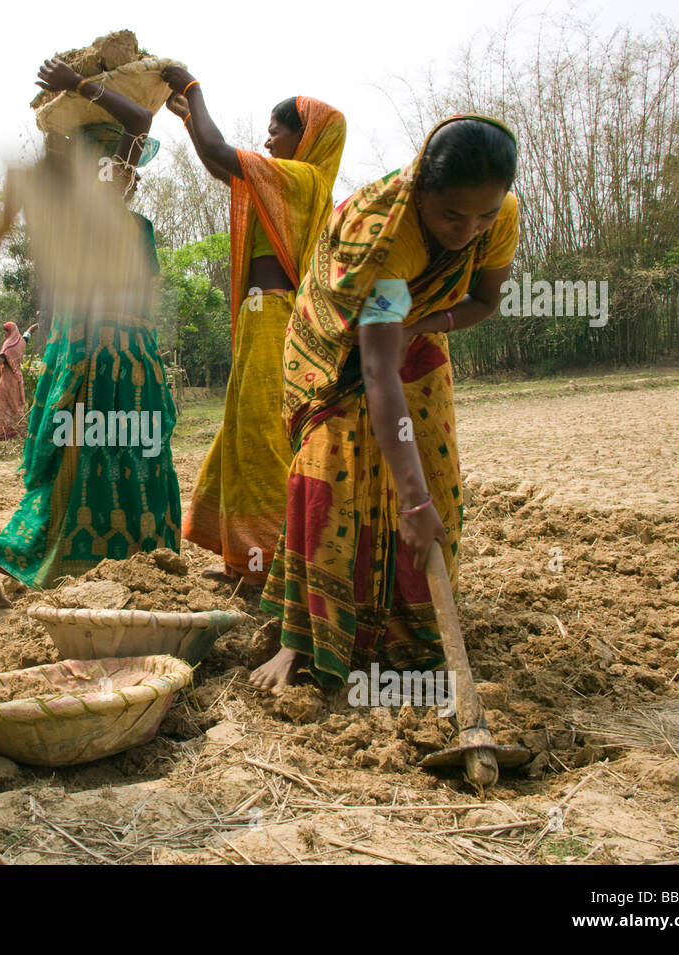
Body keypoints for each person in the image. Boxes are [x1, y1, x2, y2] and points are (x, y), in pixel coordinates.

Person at [250, 116, 519, 693]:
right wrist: (410, 500)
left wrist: (425, 322)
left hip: (416, 329)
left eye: (485, 215)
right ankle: (301, 639)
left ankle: (413, 632)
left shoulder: (501, 218)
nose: (469, 230)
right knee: (331, 474)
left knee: (436, 479)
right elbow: (375, 372)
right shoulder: (383, 236)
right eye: (452, 215)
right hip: (335, 346)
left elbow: (483, 300)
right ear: (422, 190)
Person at [0, 58, 182, 608]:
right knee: (112, 468)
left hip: (106, 364)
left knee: (85, 470)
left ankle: (11, 561)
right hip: (111, 367)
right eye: (122, 166)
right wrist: (81, 86)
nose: (131, 176)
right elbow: (141, 125)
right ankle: (8, 561)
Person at [162, 68, 346, 592]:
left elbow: (222, 155)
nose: (269, 140)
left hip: (274, 320)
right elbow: (223, 163)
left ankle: (271, 562)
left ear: (305, 138)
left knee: (264, 434)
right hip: (259, 317)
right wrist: (190, 121)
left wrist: (195, 91)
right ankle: (243, 559)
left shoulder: (301, 179)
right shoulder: (291, 184)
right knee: (242, 429)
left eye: (277, 131)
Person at [0, 321, 37, 440]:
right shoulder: (21, 342)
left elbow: (1, 361)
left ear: (10, 331)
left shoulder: (9, 346)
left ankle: (6, 430)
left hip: (7, 379)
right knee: (15, 404)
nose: (4, 334)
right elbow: (28, 332)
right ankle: (17, 429)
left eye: (5, 331)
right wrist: (36, 325)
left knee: (3, 404)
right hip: (17, 379)